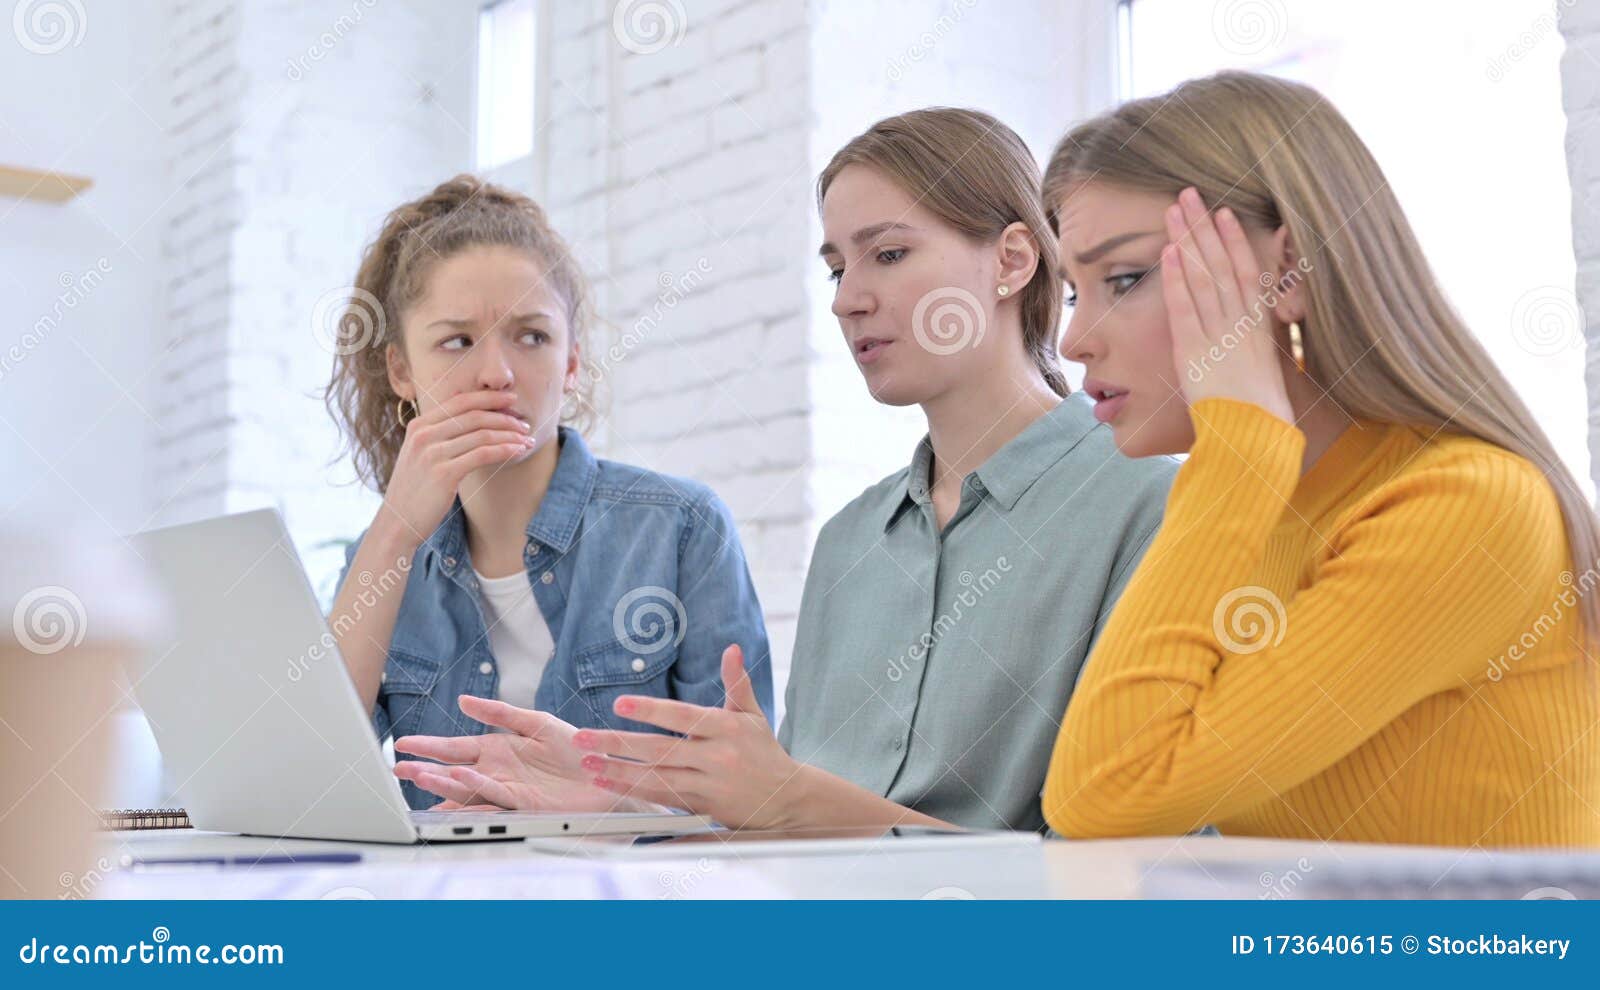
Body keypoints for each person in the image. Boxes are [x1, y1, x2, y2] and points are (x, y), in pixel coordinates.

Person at [395, 110, 1177, 832]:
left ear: (1011, 261)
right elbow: (791, 836)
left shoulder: (1148, 508)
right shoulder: (851, 545)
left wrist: (781, 796)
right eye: (838, 268)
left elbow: (1132, 884)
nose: (849, 300)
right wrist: (621, 803)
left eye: (890, 254)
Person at [1041, 71, 1600, 847]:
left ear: (1291, 269)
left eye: (1124, 279)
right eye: (1074, 291)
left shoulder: (1469, 507)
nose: (1073, 341)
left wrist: (1238, 451)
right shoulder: (1262, 499)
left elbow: (1105, 797)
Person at [323, 175, 772, 811]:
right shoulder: (381, 562)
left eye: (532, 336)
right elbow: (311, 784)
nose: (497, 374)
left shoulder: (681, 529)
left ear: (570, 364)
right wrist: (394, 532)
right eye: (457, 341)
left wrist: (608, 816)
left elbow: (747, 810)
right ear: (402, 371)